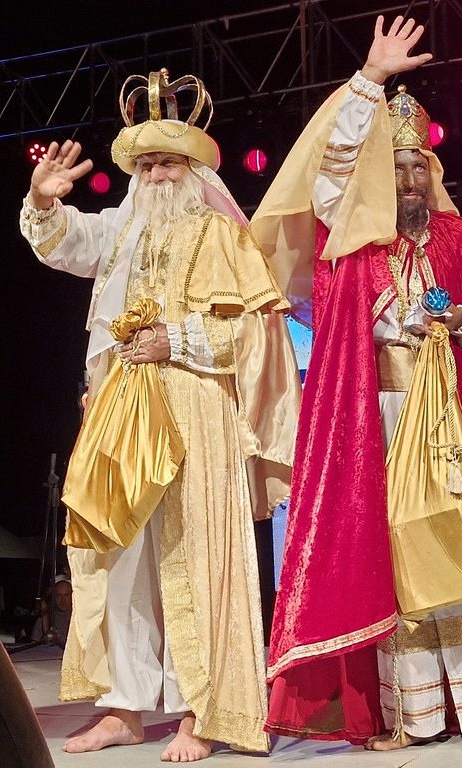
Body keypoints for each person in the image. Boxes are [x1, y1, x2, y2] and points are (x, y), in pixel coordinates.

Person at [250, 16, 462, 761]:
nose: (407, 181)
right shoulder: (356, 240)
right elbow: (330, 166)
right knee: (398, 561)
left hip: (454, 426)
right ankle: (409, 712)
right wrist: (368, 81)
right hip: (382, 418)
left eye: (416, 168)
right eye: (395, 168)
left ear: (431, 173)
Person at [18, 70, 299, 761]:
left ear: (195, 167)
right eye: (145, 163)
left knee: (193, 552)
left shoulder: (220, 235)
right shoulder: (120, 229)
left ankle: (204, 711)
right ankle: (122, 705)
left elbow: (251, 333)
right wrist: (42, 202)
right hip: (119, 405)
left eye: (168, 160)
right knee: (114, 551)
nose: (156, 173)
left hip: (194, 402)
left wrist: (179, 340)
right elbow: (62, 243)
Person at [31, 575, 73, 646]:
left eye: (66, 595)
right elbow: (33, 648)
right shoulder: (44, 620)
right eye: (59, 596)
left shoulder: (79, 620)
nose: (62, 600)